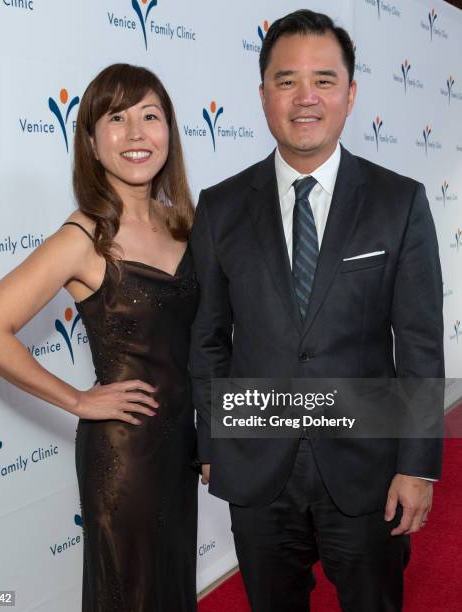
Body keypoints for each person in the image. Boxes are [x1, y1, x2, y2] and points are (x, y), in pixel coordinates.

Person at [190, 10, 443, 612]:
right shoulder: (221, 207)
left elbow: (419, 346)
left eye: (324, 80)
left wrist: (418, 465)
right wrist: (211, 440)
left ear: (351, 94)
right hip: (257, 467)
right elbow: (207, 339)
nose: (306, 97)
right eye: (286, 80)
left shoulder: (397, 201)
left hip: (367, 470)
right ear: (262, 95)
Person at [0, 63, 199, 611]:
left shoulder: (183, 222)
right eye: (116, 118)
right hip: (126, 454)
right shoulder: (84, 236)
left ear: (170, 132)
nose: (137, 133)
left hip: (181, 449)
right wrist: (76, 399)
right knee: (129, 594)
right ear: (91, 142)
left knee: (170, 589)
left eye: (150, 115)